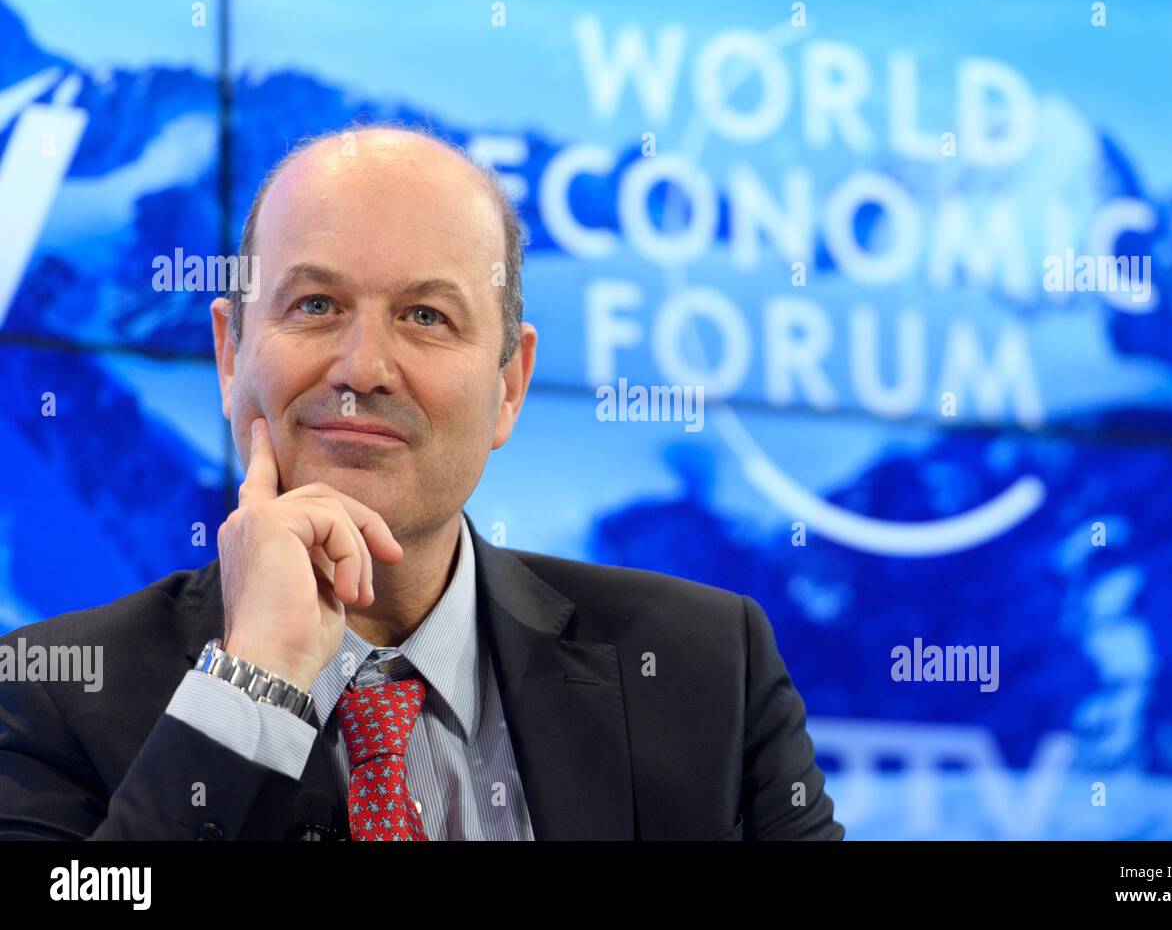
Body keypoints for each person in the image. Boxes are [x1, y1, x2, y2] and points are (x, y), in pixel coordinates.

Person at [0, 124, 844, 841]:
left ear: (510, 386)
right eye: (316, 305)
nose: (363, 367)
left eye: (426, 317)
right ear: (228, 354)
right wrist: (252, 682)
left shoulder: (707, 673)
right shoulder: (46, 695)